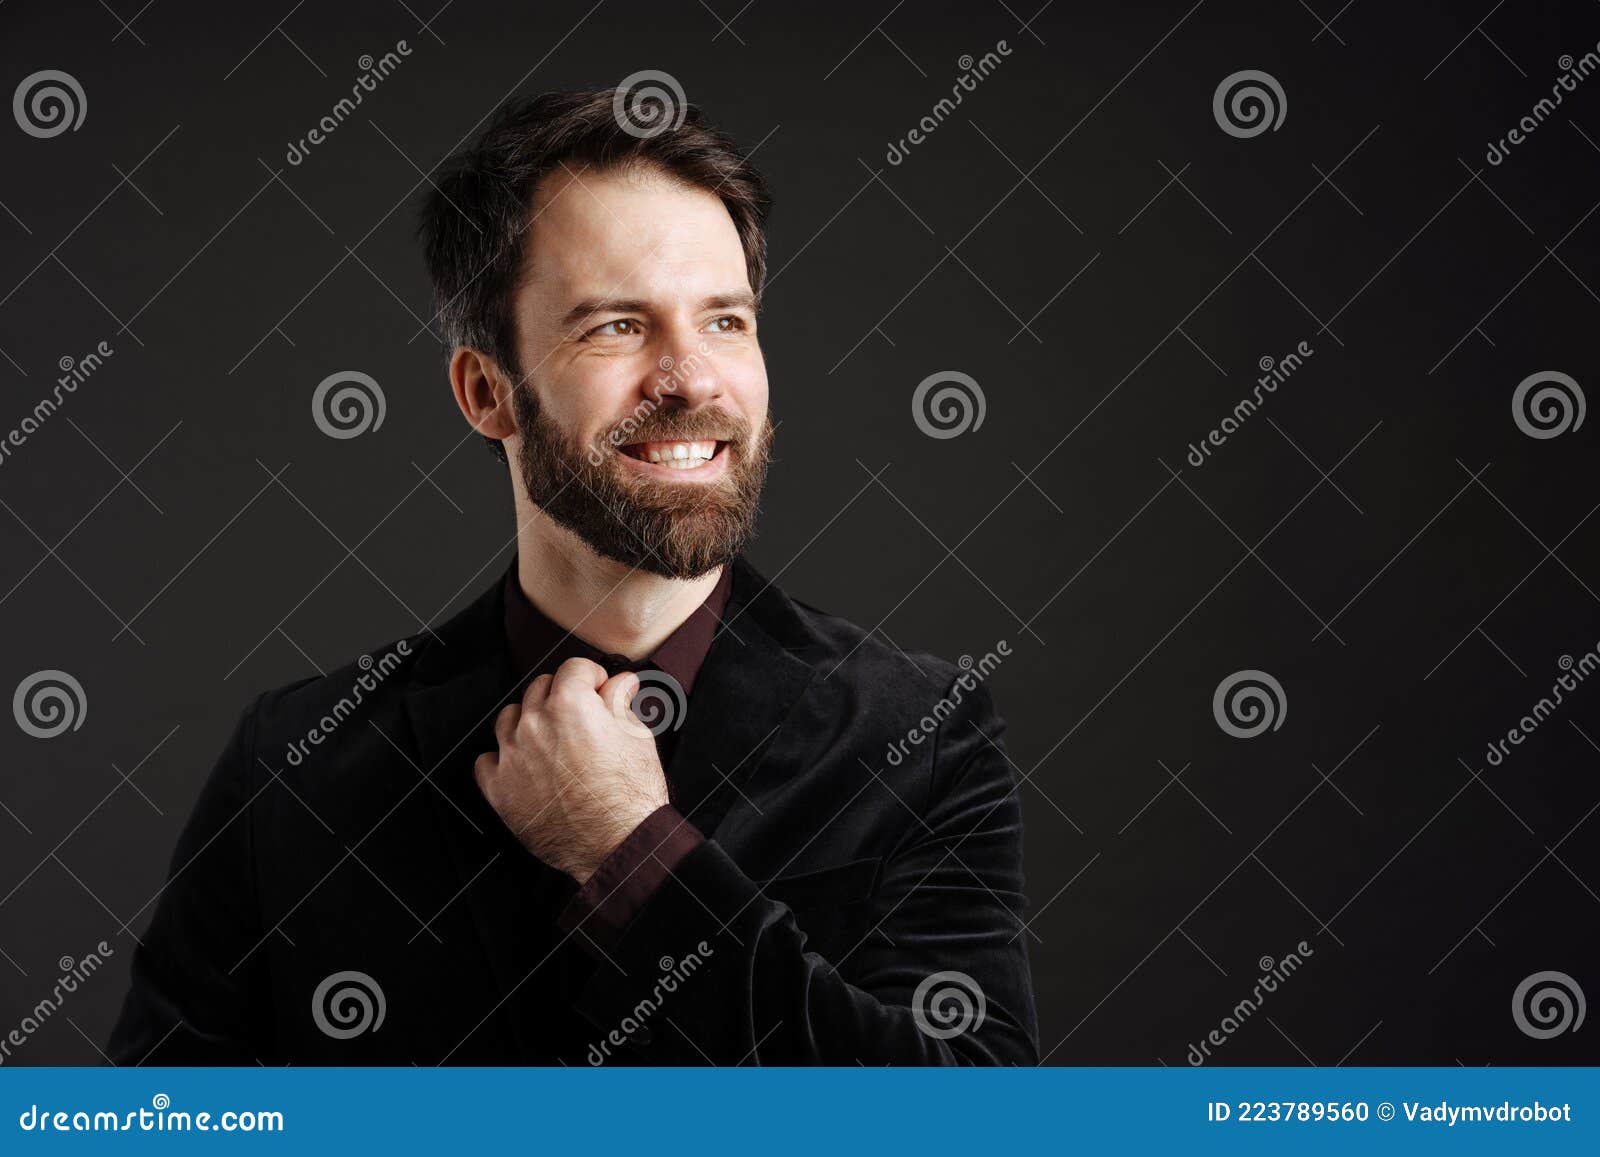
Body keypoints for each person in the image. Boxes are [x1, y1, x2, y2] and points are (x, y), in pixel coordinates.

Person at [107, 88, 1037, 1065]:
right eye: (615, 328)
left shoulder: (919, 736)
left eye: (725, 321)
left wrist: (631, 851)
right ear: (485, 391)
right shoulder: (297, 762)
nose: (691, 378)